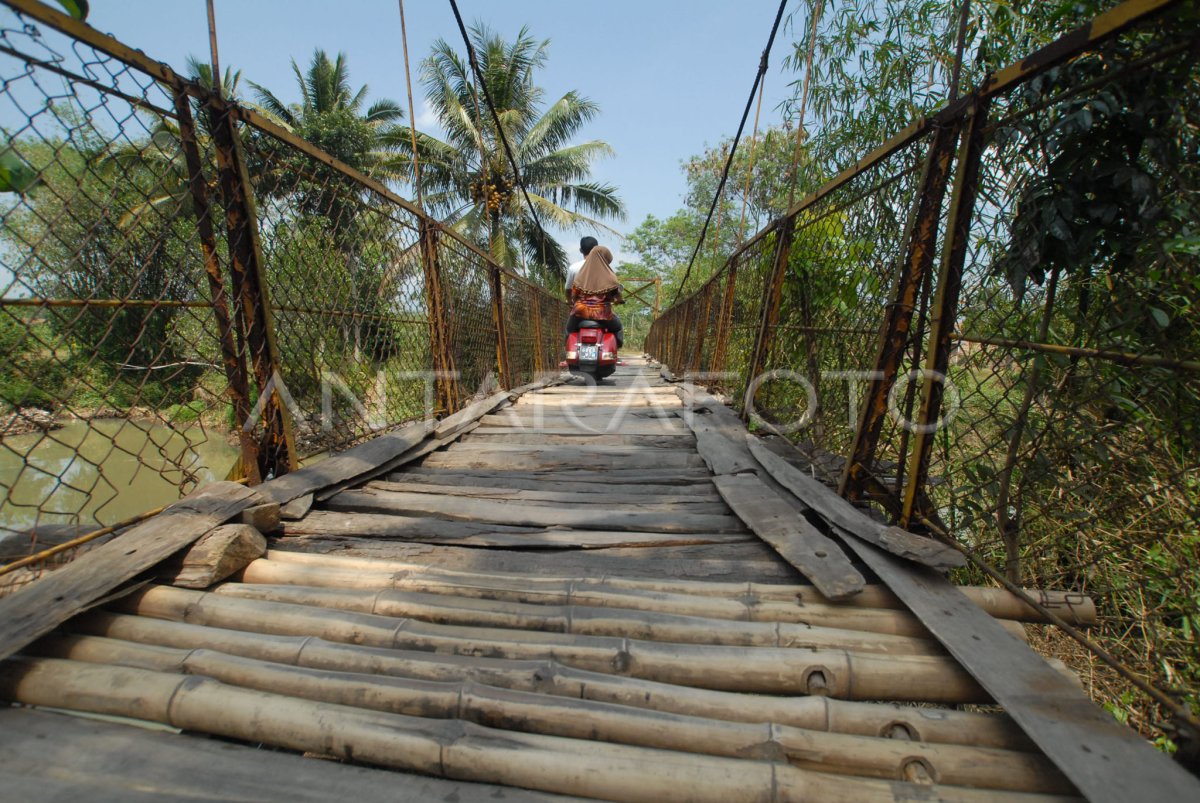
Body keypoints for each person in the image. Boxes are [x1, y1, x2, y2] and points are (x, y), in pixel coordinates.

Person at [566, 242, 624, 347]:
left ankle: (568, 348)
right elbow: (618, 296)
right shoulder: (611, 278)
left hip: (580, 312)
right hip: (603, 313)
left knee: (569, 330)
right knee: (618, 327)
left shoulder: (580, 276)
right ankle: (616, 347)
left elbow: (574, 296)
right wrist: (619, 300)